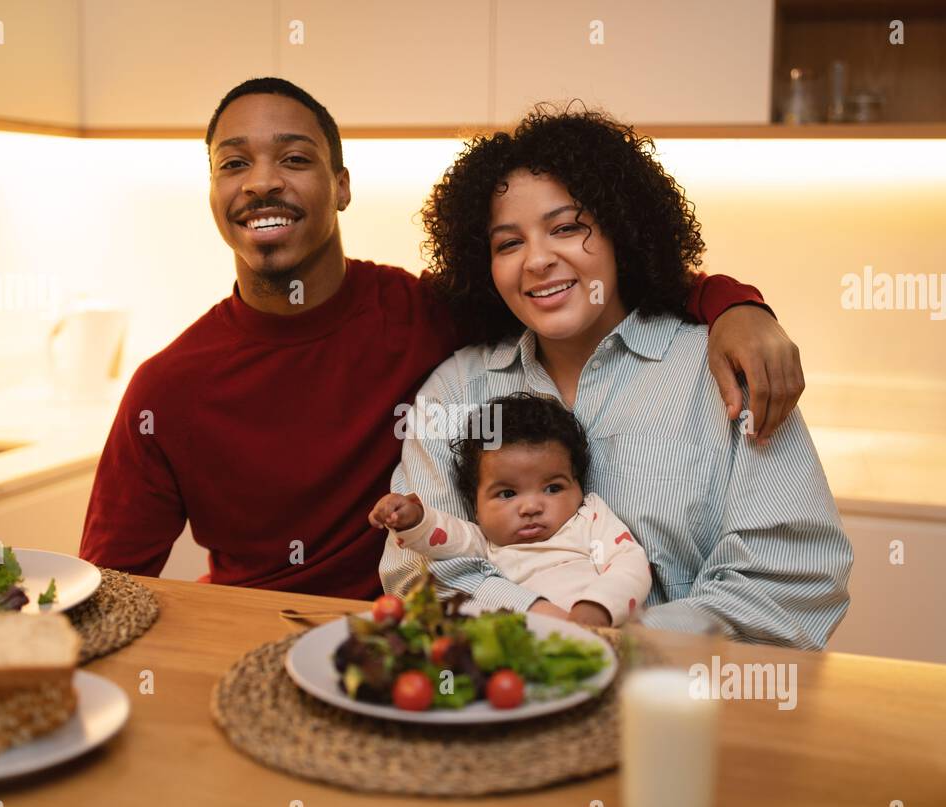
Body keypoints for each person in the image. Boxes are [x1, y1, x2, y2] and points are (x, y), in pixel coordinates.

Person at [79, 77, 807, 602]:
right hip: (272, 639)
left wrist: (735, 304)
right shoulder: (167, 387)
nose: (262, 182)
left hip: (423, 647)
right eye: (233, 163)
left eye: (294, 159)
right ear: (212, 190)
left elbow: (586, 283)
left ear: (341, 185)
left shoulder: (430, 313)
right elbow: (108, 590)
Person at [379, 107, 851, 648]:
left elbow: (789, 584)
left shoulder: (724, 370)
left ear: (621, 234)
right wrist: (551, 629)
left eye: (566, 228)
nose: (536, 260)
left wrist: (618, 640)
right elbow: (419, 571)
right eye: (508, 243)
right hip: (503, 708)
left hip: (686, 704)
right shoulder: (455, 391)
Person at [369, 392, 651, 627]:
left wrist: (595, 610)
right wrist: (414, 518)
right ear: (476, 507)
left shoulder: (589, 518)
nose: (530, 507)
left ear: (578, 484)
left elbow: (630, 564)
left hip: (606, 637)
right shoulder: (485, 543)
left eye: (553, 488)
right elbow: (443, 536)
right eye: (507, 493)